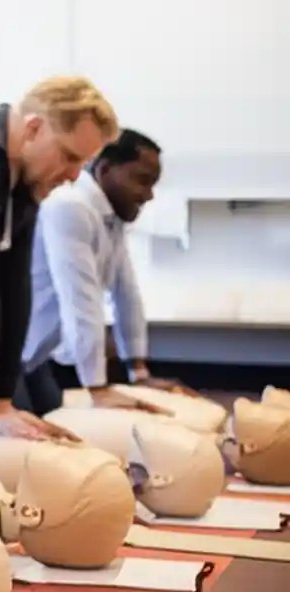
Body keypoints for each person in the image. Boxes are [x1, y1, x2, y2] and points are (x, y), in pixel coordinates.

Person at [0, 76, 118, 440]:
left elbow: (15, 288)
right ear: (33, 128)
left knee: (20, 410)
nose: (75, 175)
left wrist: (1, 400)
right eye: (69, 156)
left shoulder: (25, 179)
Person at [20, 128, 197, 415]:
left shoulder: (110, 217)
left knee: (51, 426)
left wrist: (138, 372)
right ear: (104, 169)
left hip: (32, 356)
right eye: (142, 181)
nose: (149, 195)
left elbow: (126, 293)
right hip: (2, 355)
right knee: (21, 441)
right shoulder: (70, 207)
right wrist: (98, 389)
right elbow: (82, 301)